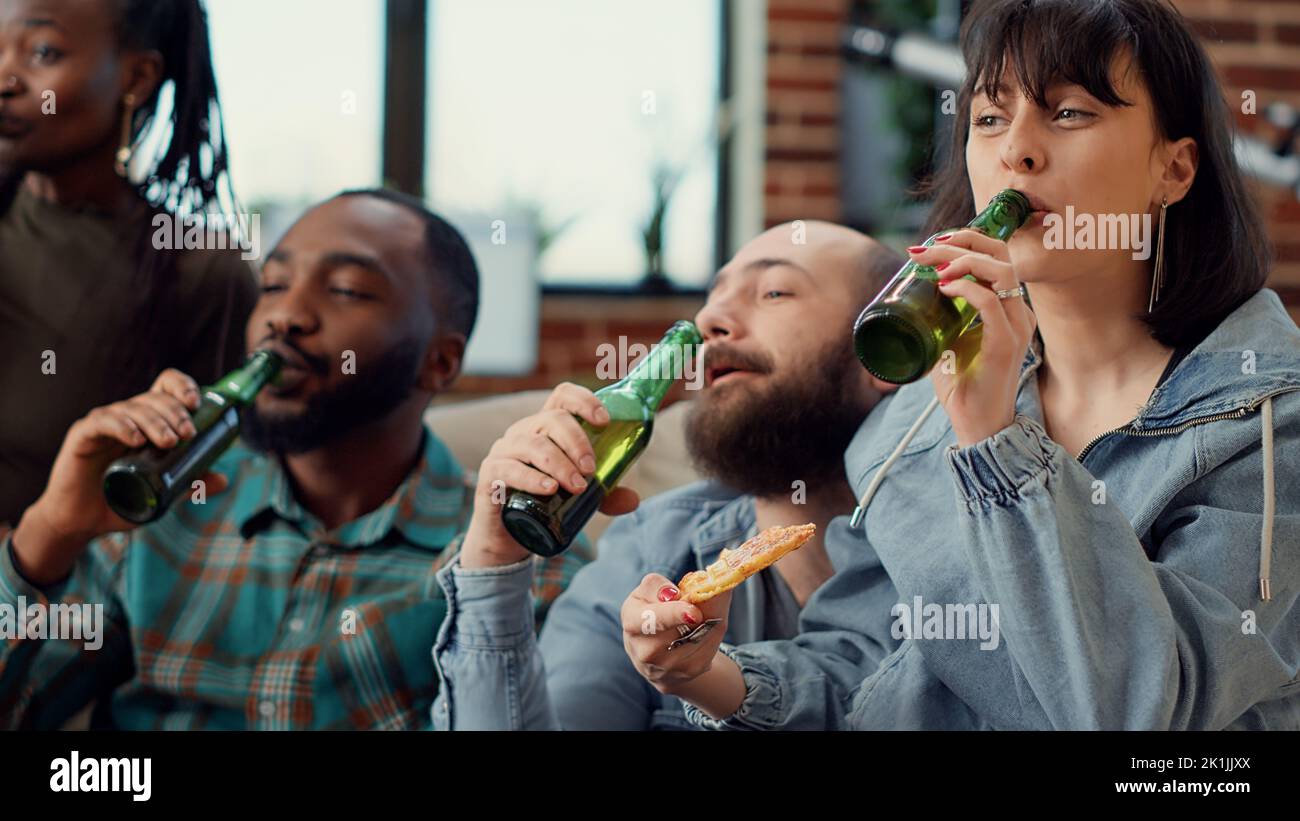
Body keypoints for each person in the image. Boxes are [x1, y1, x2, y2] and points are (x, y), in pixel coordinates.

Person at [623, 0, 1300, 730]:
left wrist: (996, 444)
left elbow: (1140, 708)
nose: (1018, 151)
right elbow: (877, 668)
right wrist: (709, 674)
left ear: (1175, 167)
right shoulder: (912, 423)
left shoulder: (1268, 422)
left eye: (1069, 113)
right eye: (989, 118)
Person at [0, 189, 587, 729]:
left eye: (347, 290)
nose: (286, 316)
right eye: (274, 285)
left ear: (439, 362)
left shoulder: (518, 558)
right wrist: (50, 531)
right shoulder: (160, 512)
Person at [431, 221, 905, 729]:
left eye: (774, 291)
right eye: (712, 297)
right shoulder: (649, 549)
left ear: (883, 348)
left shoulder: (956, 545)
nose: (709, 320)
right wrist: (492, 561)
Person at [0, 0, 257, 526]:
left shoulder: (197, 270)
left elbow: (214, 506)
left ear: (137, 77)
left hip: (62, 601)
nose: (5, 79)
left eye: (41, 52)